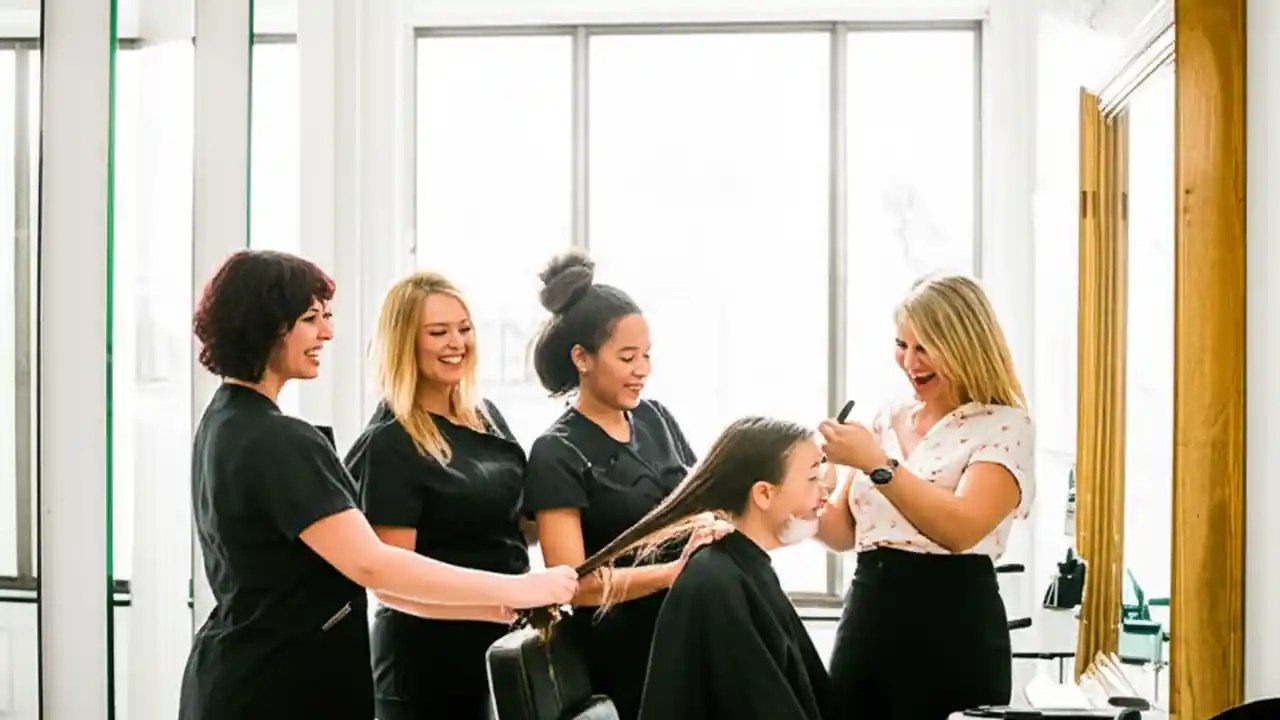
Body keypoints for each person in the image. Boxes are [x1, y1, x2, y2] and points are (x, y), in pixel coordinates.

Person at [179, 250, 577, 720]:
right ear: (266, 324)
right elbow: (375, 566)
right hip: (278, 685)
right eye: (311, 319)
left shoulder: (224, 422)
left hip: (243, 673)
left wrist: (499, 607)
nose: (326, 333)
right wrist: (521, 589)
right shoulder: (279, 439)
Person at [816, 273, 1035, 719]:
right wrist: (797, 490)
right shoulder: (884, 417)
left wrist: (878, 465)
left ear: (965, 344)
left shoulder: (1005, 425)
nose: (910, 362)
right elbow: (841, 533)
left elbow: (959, 529)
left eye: (925, 347)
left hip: (954, 628)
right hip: (868, 615)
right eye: (902, 345)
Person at [521, 250, 706, 720]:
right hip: (621, 652)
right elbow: (574, 586)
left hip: (683, 630)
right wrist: (670, 574)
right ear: (581, 358)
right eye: (627, 357)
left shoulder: (656, 418)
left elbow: (701, 500)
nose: (642, 369)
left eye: (646, 356)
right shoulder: (556, 452)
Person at [344, 271, 533, 720]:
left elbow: (512, 523)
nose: (457, 343)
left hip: (500, 648)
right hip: (425, 666)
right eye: (438, 332)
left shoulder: (486, 417)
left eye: (464, 329)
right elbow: (392, 580)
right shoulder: (391, 441)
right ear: (405, 341)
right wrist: (502, 602)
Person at [572, 416, 833, 720]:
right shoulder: (717, 582)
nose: (825, 493)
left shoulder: (741, 567)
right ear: (764, 494)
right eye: (813, 479)